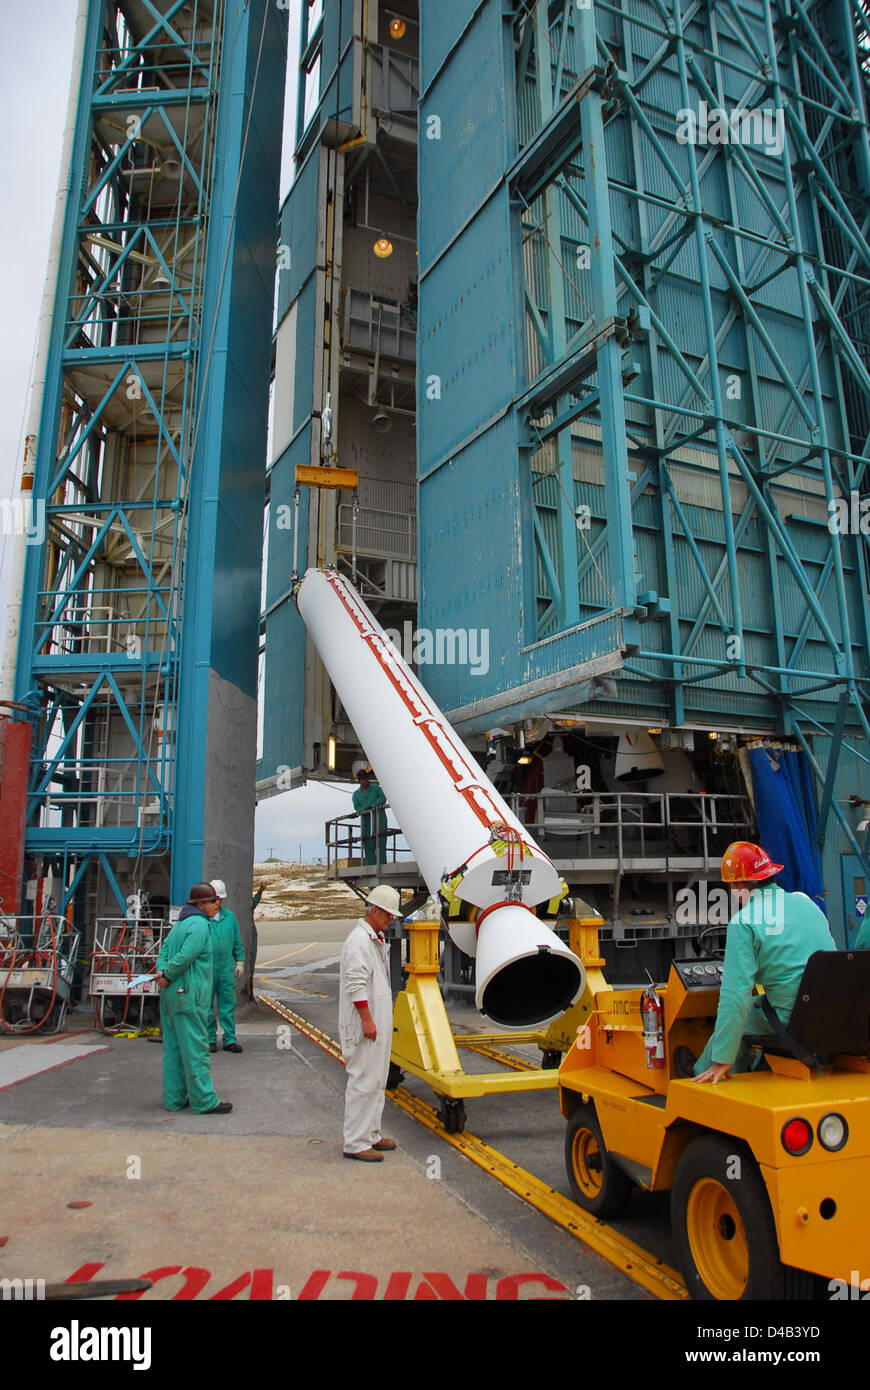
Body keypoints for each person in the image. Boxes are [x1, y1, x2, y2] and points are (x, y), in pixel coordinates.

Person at [694, 841, 836, 1083]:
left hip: (792, 1019)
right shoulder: (807, 904)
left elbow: (734, 997)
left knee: (741, 1015)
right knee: (758, 1005)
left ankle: (705, 1074)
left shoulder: (744, 921)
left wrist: (722, 1058)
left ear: (738, 884)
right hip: (833, 1010)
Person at [155, 884, 232, 1114]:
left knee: (173, 1049)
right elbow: (187, 955)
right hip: (189, 996)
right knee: (196, 1048)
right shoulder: (200, 925)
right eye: (212, 901)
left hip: (170, 996)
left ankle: (174, 1099)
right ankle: (204, 1100)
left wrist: (163, 974)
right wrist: (169, 974)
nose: (217, 904)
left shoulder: (179, 926)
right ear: (200, 905)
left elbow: (164, 952)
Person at [339, 884, 403, 1161]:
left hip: (376, 1022)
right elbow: (356, 984)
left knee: (377, 1080)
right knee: (363, 1080)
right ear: (374, 910)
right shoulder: (358, 941)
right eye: (388, 914)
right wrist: (367, 1019)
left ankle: (371, 1134)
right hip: (365, 1024)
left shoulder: (373, 938)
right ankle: (355, 1142)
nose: (391, 920)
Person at [207, 879, 245, 1054]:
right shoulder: (202, 918)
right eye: (216, 899)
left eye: (221, 899)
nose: (219, 902)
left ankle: (229, 1039)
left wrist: (240, 961)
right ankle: (209, 1039)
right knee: (206, 1005)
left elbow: (237, 941)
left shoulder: (229, 917)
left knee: (227, 1004)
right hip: (207, 968)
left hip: (226, 969)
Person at [352, 768, 388, 867]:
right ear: (359, 780)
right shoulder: (356, 794)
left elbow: (383, 798)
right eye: (363, 779)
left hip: (379, 819)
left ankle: (382, 864)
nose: (366, 780)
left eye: (366, 778)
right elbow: (357, 807)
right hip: (366, 821)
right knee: (367, 842)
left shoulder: (376, 788)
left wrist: (373, 806)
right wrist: (365, 809)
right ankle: (370, 865)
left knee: (380, 842)